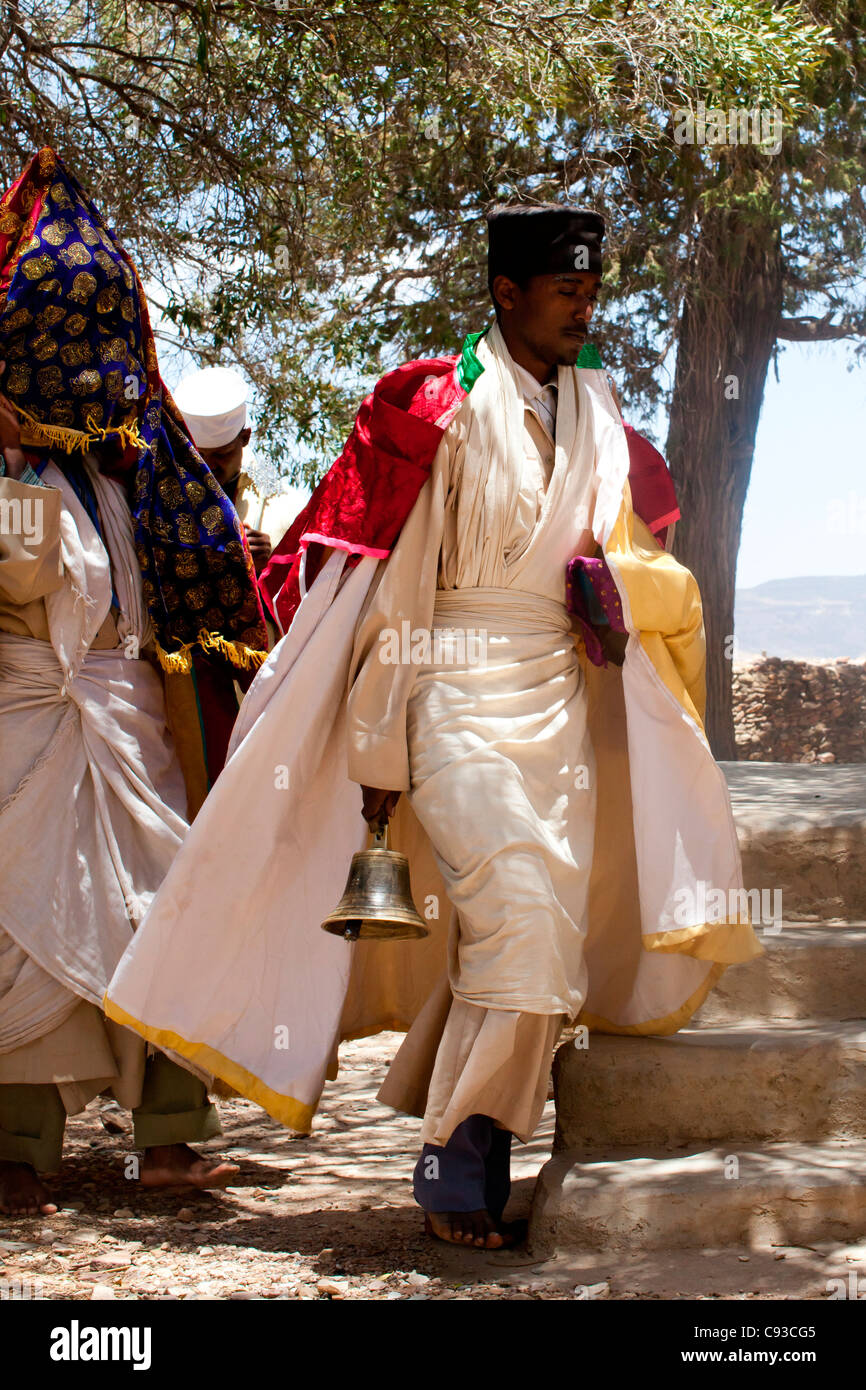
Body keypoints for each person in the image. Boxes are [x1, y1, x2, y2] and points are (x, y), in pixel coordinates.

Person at [106, 202, 762, 1249]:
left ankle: (467, 1142)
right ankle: (453, 1170)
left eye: (592, 291)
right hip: (454, 696)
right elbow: (395, 597)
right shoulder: (437, 403)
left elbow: (629, 551)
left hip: (558, 702)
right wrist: (377, 749)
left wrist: (618, 589)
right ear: (507, 294)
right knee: (530, 935)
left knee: (529, 946)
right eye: (565, 291)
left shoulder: (596, 406)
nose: (583, 307)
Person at [0, 147, 268, 1216]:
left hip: (130, 723)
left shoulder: (147, 471)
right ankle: (18, 1151)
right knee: (21, 934)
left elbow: (199, 599)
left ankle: (168, 1141)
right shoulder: (23, 476)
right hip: (23, 719)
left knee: (164, 911)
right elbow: (24, 572)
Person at [173, 366, 303, 577]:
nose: (209, 466)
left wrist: (269, 563)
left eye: (221, 454)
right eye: (199, 456)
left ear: (245, 438)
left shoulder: (279, 503)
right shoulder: (167, 491)